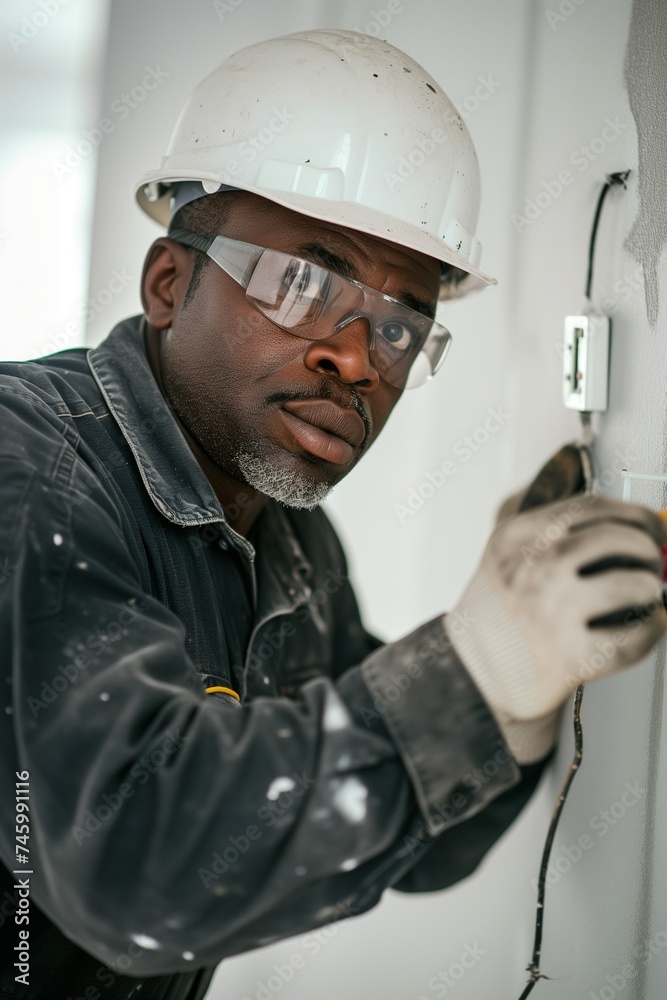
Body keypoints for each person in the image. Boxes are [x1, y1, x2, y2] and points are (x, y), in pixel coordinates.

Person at [1, 28, 665, 1000]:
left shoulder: (291, 546)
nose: (355, 358)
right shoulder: (31, 474)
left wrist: (521, 687)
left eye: (399, 326)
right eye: (300, 283)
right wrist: (475, 669)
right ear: (168, 284)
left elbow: (407, 835)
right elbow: (125, 860)